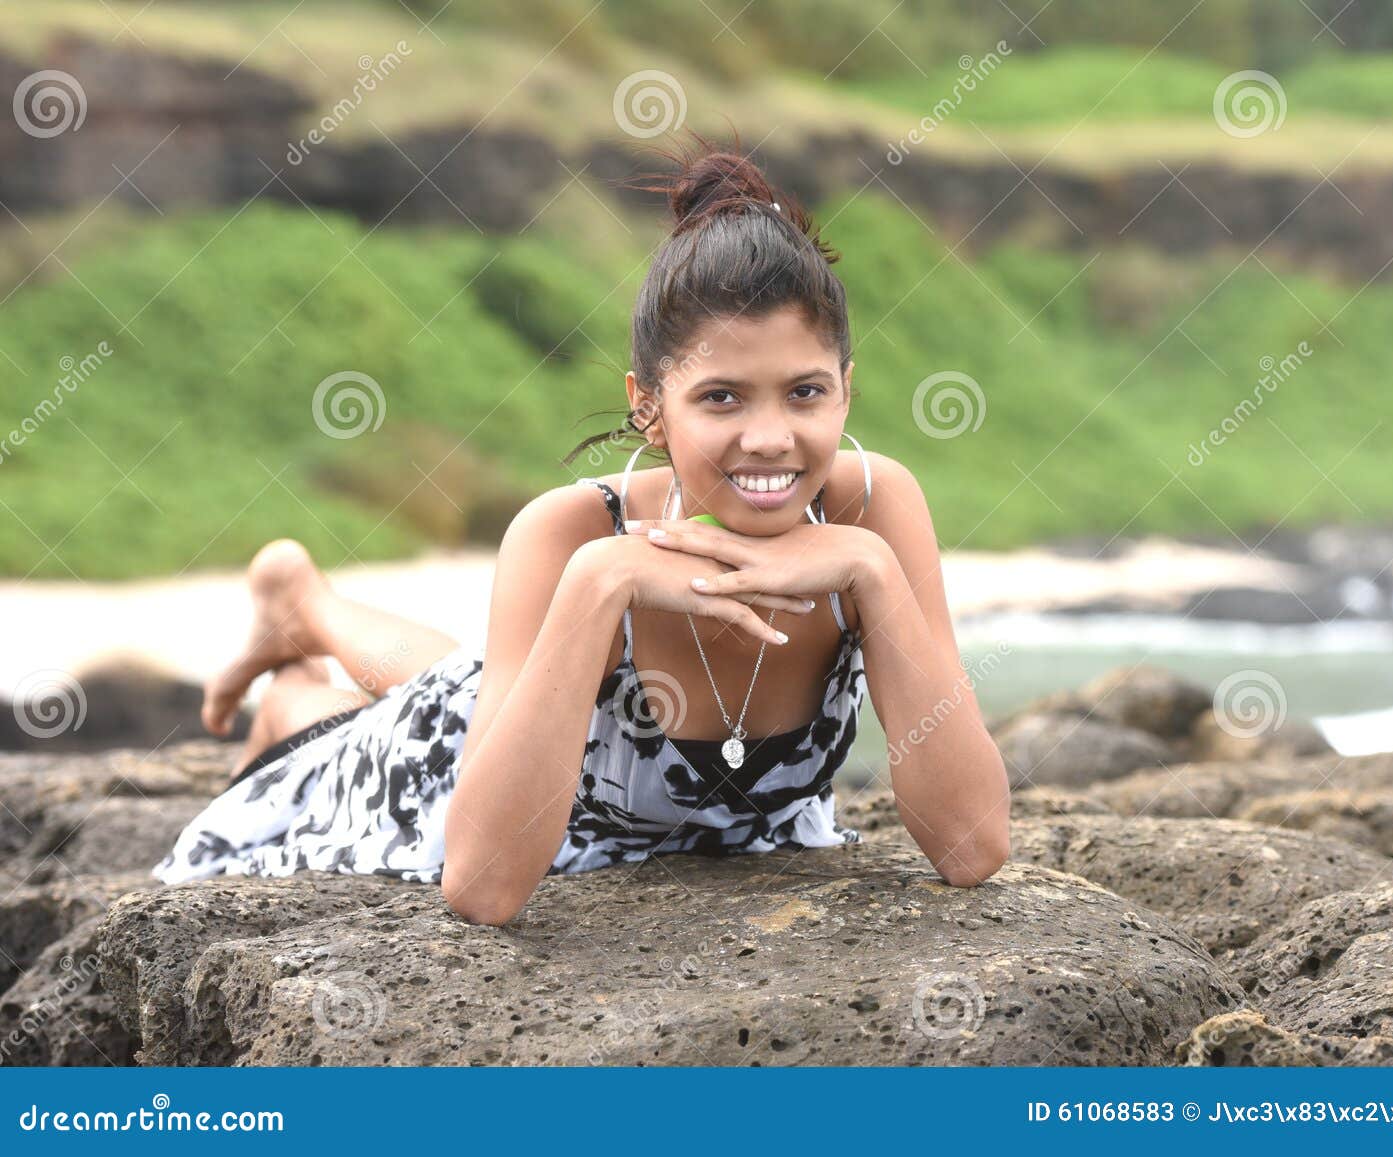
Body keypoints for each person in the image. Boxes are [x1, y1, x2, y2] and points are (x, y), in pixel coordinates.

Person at [151, 135, 1010, 924]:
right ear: (648, 407)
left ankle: (307, 608)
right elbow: (483, 886)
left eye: (805, 391)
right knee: (427, 702)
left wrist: (871, 571)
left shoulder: (875, 514)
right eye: (721, 397)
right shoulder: (567, 534)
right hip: (455, 765)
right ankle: (299, 675)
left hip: (512, 687)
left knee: (472, 668)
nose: (771, 437)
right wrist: (603, 583)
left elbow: (971, 846)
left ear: (847, 391)